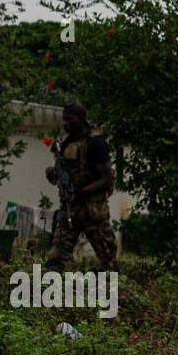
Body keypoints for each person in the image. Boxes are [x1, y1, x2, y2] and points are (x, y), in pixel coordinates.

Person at [44, 102, 118, 270]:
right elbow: (62, 174)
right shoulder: (66, 144)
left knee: (109, 262)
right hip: (70, 210)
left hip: (93, 211)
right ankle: (49, 291)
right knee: (55, 260)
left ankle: (113, 293)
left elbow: (106, 178)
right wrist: (53, 174)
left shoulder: (96, 144)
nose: (66, 123)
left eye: (70, 119)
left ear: (81, 119)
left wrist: (82, 191)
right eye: (64, 120)